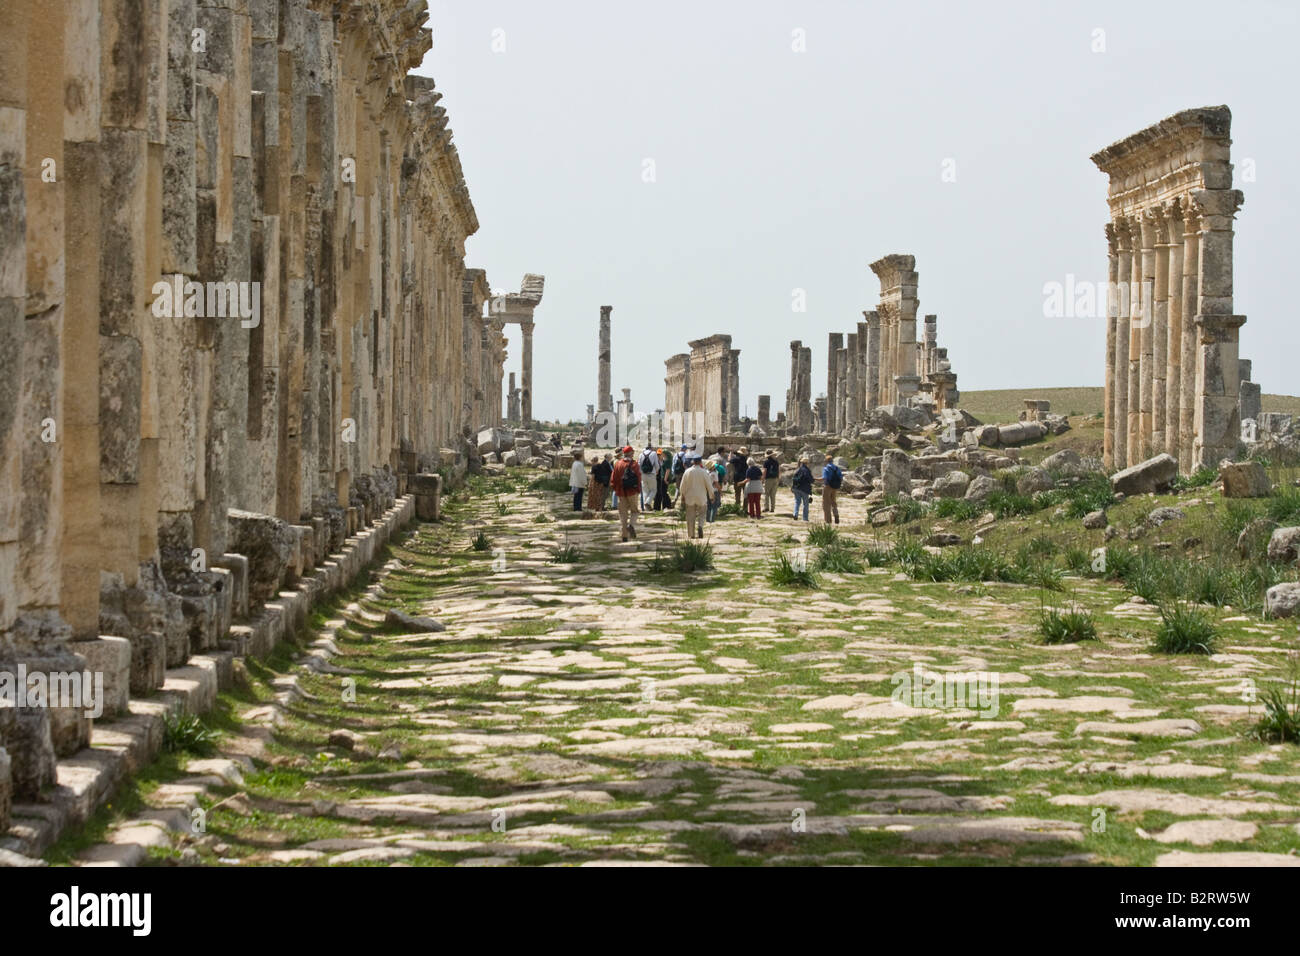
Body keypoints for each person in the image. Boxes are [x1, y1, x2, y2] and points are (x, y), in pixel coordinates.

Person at [611, 445, 641, 542]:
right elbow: (638, 478)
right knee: (635, 511)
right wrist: (638, 490)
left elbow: (613, 479)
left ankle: (624, 535)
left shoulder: (618, 464)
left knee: (623, 514)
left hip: (621, 492)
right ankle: (631, 525)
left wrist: (616, 489)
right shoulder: (635, 464)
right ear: (631, 453)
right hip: (632, 491)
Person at [678, 455, 711, 539]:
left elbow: (682, 485)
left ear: (693, 462)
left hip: (690, 496)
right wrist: (712, 495)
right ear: (700, 462)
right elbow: (709, 485)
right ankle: (700, 525)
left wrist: (682, 495)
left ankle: (691, 534)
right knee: (702, 513)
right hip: (701, 496)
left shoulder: (687, 471)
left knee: (690, 516)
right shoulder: (704, 472)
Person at [821, 453, 842, 525]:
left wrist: (815, 479)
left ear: (826, 461)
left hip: (827, 486)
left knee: (826, 503)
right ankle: (836, 514)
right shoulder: (837, 468)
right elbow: (841, 477)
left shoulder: (826, 468)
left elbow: (824, 478)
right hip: (835, 487)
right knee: (833, 502)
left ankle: (828, 520)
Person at [791, 455, 813, 521]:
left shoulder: (798, 469)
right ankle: (805, 518)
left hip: (796, 488)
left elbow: (794, 479)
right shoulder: (807, 470)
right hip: (804, 489)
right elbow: (810, 479)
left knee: (797, 502)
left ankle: (795, 514)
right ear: (807, 463)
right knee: (805, 504)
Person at [639, 442, 659, 510]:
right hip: (651, 474)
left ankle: (646, 509)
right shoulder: (653, 453)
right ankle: (647, 502)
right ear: (651, 447)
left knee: (645, 491)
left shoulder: (641, 454)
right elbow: (657, 465)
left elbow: (639, 465)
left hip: (643, 475)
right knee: (654, 490)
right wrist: (657, 470)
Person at [705, 454, 722, 523]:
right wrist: (720, 491)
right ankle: (712, 519)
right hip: (714, 491)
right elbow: (716, 483)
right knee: (714, 505)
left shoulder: (706, 472)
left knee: (708, 505)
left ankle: (707, 519)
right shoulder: (714, 474)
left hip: (707, 490)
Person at [762, 449, 780, 513]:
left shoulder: (766, 462)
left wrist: (762, 479)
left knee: (766, 494)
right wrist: (778, 478)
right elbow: (778, 470)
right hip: (775, 478)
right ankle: (772, 508)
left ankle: (766, 507)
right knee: (773, 494)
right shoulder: (776, 462)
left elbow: (764, 471)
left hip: (768, 479)